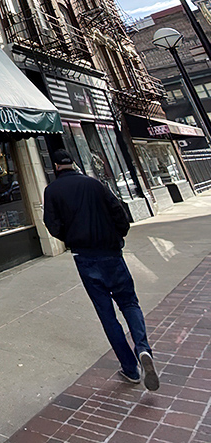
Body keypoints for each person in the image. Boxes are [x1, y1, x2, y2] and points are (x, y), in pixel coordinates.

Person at [43, 148, 160, 391]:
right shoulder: (94, 184)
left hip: (84, 257)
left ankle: (130, 368)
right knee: (129, 303)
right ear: (72, 163)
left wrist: (71, 237)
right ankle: (143, 348)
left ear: (55, 167)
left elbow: (52, 226)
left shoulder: (52, 191)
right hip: (111, 254)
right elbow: (119, 212)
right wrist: (118, 234)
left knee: (107, 315)